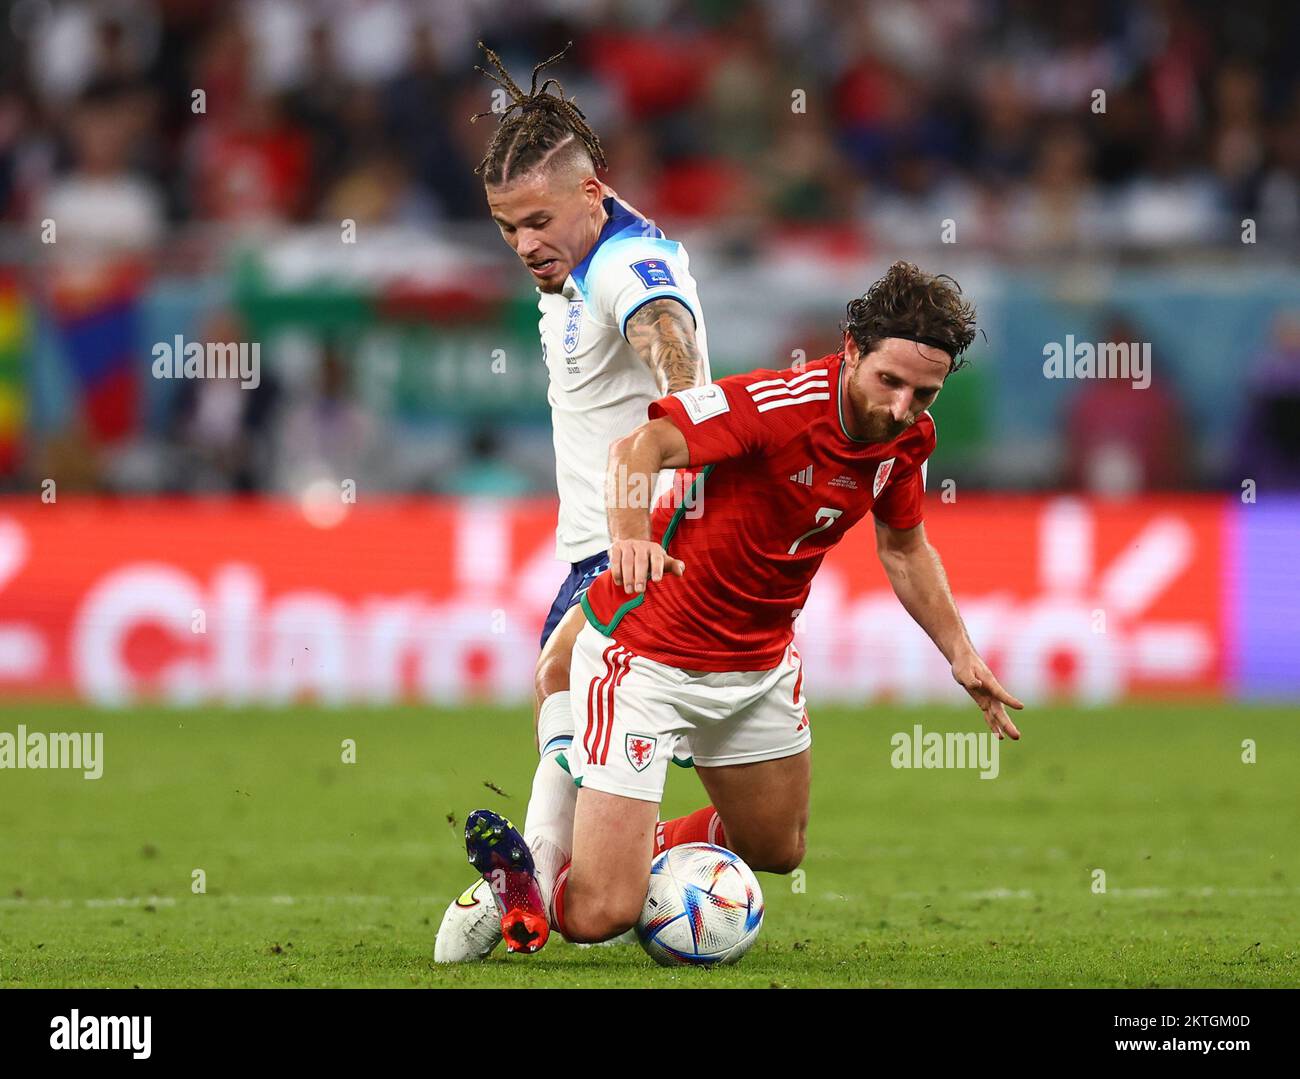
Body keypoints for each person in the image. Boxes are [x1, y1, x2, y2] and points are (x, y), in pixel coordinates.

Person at [464, 261, 1024, 949]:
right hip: (652, 659)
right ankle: (526, 883)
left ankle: (621, 847)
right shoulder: (774, 406)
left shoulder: (907, 438)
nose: (904, 406)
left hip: (757, 665)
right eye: (891, 381)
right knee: (596, 916)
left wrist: (961, 653)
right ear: (851, 349)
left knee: (778, 846)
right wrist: (631, 538)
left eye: (924, 393)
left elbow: (905, 549)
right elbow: (639, 448)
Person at [435, 45, 717, 960]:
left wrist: (680, 412)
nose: (524, 245)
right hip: (615, 549)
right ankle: (544, 885)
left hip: (644, 548)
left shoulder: (621, 264)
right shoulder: (576, 257)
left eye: (538, 221)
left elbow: (664, 329)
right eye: (507, 227)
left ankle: (533, 887)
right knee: (766, 834)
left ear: (592, 194)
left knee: (561, 682)